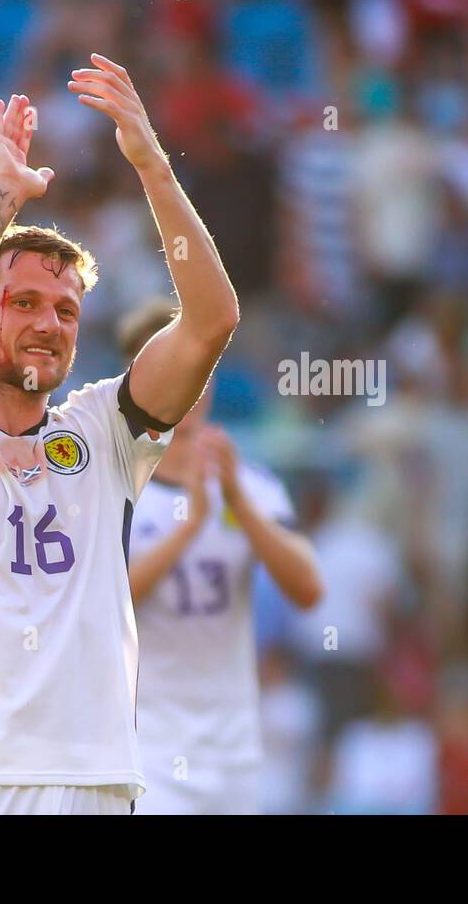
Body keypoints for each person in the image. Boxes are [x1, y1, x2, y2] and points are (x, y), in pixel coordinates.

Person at [0, 55, 239, 815]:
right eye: (23, 302)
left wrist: (152, 165)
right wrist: (0, 193)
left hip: (96, 782)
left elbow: (212, 321)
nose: (47, 324)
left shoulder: (105, 431)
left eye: (65, 312)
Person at [120, 298, 322, 814]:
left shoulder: (251, 484)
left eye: (199, 372)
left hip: (234, 747)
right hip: (148, 746)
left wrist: (239, 504)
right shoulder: (118, 488)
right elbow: (106, 601)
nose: (190, 390)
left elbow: (308, 590)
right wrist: (187, 529)